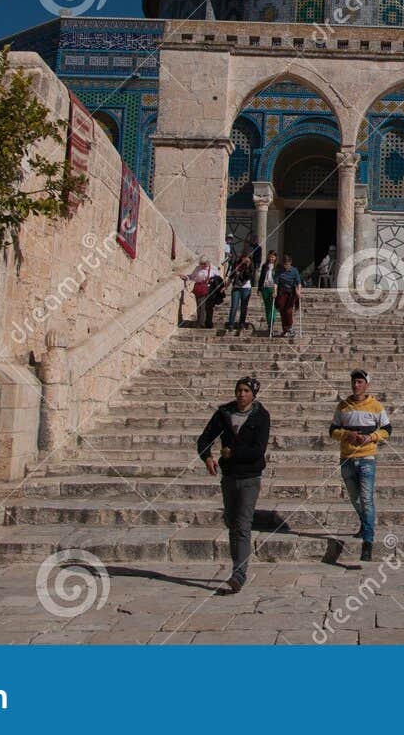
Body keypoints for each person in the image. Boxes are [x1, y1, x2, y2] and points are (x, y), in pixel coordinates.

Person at [195, 376, 271, 594]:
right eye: (239, 390)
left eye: (246, 390)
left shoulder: (261, 416)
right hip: (229, 476)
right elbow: (204, 439)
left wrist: (232, 452)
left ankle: (239, 574)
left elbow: (258, 450)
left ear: (253, 394)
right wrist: (207, 457)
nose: (241, 394)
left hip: (250, 477)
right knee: (231, 521)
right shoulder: (224, 413)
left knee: (243, 524)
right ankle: (238, 565)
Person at [329, 368, 391, 562]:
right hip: (346, 458)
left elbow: (387, 429)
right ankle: (366, 525)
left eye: (360, 382)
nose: (356, 385)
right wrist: (346, 434)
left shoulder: (376, 406)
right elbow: (332, 430)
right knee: (355, 498)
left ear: (366, 385)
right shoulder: (343, 406)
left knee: (366, 498)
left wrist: (371, 437)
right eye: (354, 382)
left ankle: (368, 542)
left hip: (367, 458)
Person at [273, 253, 302, 338]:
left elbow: (298, 283)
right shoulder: (279, 271)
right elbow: (276, 283)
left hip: (291, 292)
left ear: (291, 263)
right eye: (285, 264)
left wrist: (298, 292)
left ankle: (290, 327)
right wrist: (274, 292)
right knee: (282, 309)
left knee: (288, 310)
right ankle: (285, 329)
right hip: (282, 292)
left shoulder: (294, 270)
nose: (286, 266)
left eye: (288, 264)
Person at [224, 254, 255, 334]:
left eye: (247, 258)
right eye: (244, 257)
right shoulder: (237, 264)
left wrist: (247, 266)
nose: (245, 259)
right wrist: (226, 286)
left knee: (243, 307)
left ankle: (242, 323)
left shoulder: (251, 266)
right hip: (236, 287)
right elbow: (231, 276)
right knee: (234, 306)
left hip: (246, 288)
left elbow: (249, 276)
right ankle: (231, 324)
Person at [184, 257, 214, 328]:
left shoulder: (213, 269)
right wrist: (186, 277)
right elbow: (192, 276)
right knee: (200, 306)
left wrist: (213, 280)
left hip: (209, 288)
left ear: (208, 263)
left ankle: (206, 322)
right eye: (201, 264)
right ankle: (201, 322)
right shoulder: (197, 268)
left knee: (207, 306)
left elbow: (218, 277)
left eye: (204, 264)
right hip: (199, 288)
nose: (203, 265)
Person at [255, 250, 278, 334]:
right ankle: (269, 325)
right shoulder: (265, 266)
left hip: (273, 288)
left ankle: (272, 323)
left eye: (273, 257)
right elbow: (261, 277)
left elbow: (278, 278)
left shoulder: (277, 267)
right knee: (267, 307)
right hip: (265, 288)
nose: (271, 258)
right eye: (270, 256)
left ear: (275, 258)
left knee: (273, 307)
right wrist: (259, 288)